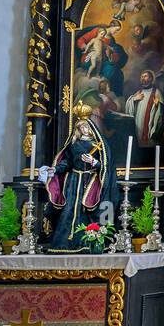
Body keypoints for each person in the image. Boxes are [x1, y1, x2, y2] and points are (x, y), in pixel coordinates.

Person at [42, 107, 116, 252]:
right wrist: (55, 169)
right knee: (69, 209)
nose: (84, 129)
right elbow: (67, 162)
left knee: (86, 210)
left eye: (86, 126)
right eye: (81, 127)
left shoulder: (99, 145)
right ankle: (65, 243)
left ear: (90, 127)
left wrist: (93, 162)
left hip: (90, 180)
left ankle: (87, 242)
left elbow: (105, 166)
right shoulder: (73, 144)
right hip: (74, 181)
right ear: (78, 129)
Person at [125, 70, 164, 148]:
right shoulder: (139, 92)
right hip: (138, 123)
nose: (143, 78)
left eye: (145, 76)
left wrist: (157, 105)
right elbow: (129, 105)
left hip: (149, 124)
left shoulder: (156, 92)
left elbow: (161, 110)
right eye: (142, 77)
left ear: (151, 79)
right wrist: (134, 99)